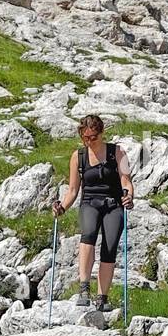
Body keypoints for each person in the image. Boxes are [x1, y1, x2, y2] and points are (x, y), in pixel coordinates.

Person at [53, 115, 134, 312]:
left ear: (101, 133)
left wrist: (129, 196)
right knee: (88, 234)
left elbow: (126, 181)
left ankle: (102, 297)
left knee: (110, 245)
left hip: (113, 204)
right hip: (89, 202)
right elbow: (73, 190)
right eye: (85, 138)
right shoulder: (78, 157)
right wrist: (62, 207)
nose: (89, 141)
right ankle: (84, 288)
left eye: (93, 137)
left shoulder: (118, 153)